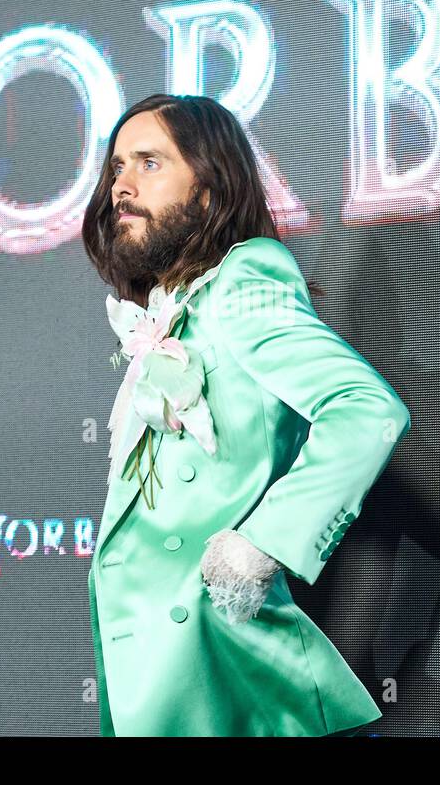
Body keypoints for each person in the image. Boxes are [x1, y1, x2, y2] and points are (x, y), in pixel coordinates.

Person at [80, 93, 410, 736]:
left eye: (149, 163)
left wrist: (265, 542)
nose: (121, 185)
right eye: (117, 168)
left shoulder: (244, 279)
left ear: (208, 190)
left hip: (226, 672)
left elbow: (365, 409)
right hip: (162, 679)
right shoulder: (169, 312)